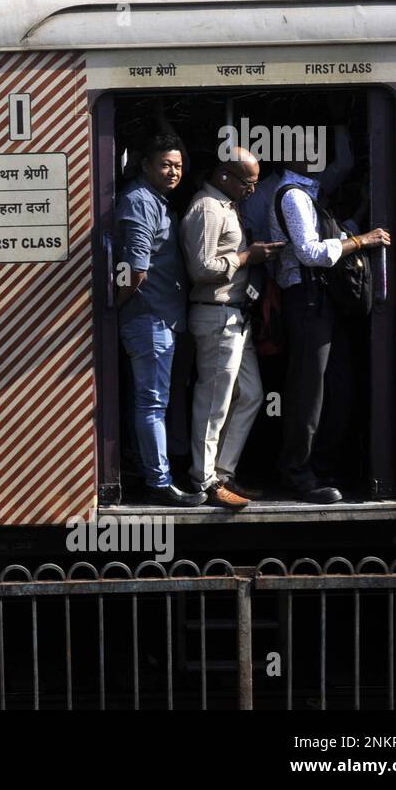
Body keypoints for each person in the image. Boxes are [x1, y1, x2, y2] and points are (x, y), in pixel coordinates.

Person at [269, 155, 390, 503]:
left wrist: (363, 211)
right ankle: (296, 471)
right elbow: (310, 253)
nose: (319, 154)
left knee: (337, 385)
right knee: (309, 392)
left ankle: (320, 466)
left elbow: (335, 237)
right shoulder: (292, 194)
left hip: (321, 302)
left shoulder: (311, 193)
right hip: (306, 301)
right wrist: (363, 241)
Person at [178, 148, 285, 510]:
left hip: (236, 317)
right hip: (217, 315)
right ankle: (203, 480)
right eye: (248, 183)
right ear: (224, 175)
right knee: (213, 404)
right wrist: (246, 257)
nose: (253, 190)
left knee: (251, 394)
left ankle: (222, 472)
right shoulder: (207, 208)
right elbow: (202, 268)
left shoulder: (225, 205)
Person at [114, 134, 201, 506]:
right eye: (165, 164)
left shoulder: (157, 202)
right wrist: (116, 310)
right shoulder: (138, 203)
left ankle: (150, 468)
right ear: (145, 165)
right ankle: (159, 482)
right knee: (152, 404)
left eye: (178, 166)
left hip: (162, 318)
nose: (173, 172)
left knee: (152, 401)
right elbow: (136, 271)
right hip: (149, 319)